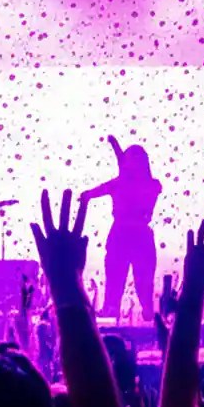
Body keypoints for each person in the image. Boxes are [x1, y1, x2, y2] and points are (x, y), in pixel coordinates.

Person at [80, 135, 161, 320]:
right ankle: (120, 307)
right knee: (126, 274)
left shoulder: (134, 184)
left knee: (135, 275)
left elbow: (119, 180)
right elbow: (121, 177)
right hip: (132, 234)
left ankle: (123, 308)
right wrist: (116, 148)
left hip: (127, 233)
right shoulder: (148, 184)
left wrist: (116, 148)